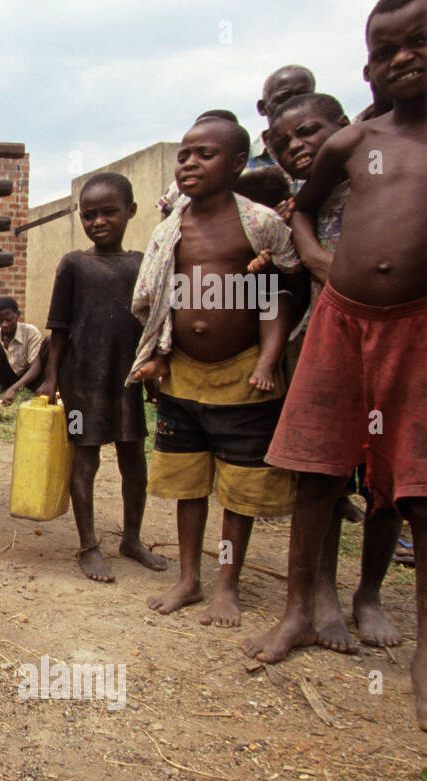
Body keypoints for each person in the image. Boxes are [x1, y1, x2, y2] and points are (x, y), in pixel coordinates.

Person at [245, 0, 427, 734]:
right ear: (368, 69)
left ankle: (419, 658)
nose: (404, 59)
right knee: (315, 468)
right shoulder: (356, 140)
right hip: (341, 318)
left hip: (416, 327)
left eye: (419, 43)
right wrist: (324, 264)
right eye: (388, 52)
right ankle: (296, 611)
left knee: (412, 484)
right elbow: (302, 210)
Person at [128, 117, 305, 627]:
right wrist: (159, 353)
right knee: (188, 485)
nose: (189, 162)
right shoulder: (170, 230)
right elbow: (159, 299)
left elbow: (281, 293)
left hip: (246, 375)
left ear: (236, 164)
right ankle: (188, 578)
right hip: (183, 374)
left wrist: (270, 359)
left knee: (239, 490)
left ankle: (227, 584)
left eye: (204, 154)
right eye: (184, 154)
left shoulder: (259, 225)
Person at [268, 90, 405, 649]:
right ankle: (319, 594)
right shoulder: (303, 202)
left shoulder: (387, 172)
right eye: (281, 142)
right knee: (319, 474)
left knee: (387, 479)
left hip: (396, 335)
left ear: (344, 127)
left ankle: (368, 593)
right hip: (323, 338)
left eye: (308, 132)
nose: (296, 146)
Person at [37, 173, 167, 583]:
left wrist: (151, 377)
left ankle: (131, 539)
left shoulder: (141, 263)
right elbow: (58, 329)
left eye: (108, 212)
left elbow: (149, 325)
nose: (98, 221)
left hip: (125, 381)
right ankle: (88, 545)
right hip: (81, 383)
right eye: (88, 214)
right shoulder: (74, 264)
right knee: (85, 460)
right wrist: (51, 379)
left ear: (130, 211)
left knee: (134, 461)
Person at [0, 297, 46, 406]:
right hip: (5, 382)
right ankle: (4, 391)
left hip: (29, 382)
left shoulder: (30, 332)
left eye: (8, 320)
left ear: (17, 315)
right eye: (0, 321)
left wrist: (14, 389)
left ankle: (12, 390)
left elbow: (36, 367)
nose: (4, 324)